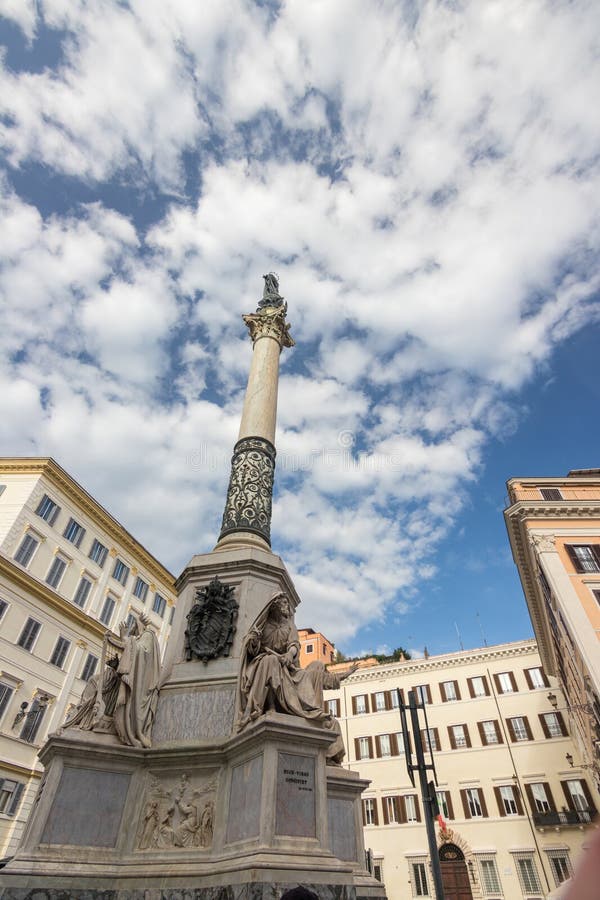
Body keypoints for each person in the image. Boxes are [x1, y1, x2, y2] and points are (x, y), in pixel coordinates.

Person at [236, 592, 330, 732]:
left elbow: (294, 644)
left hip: (285, 664)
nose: (288, 606)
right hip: (262, 660)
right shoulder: (263, 624)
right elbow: (252, 649)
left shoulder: (289, 625)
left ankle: (310, 710)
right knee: (271, 661)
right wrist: (254, 642)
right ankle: (270, 705)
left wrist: (289, 654)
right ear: (275, 604)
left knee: (303, 674)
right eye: (285, 603)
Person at [113, 612, 161, 748]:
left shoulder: (148, 635)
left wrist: (126, 639)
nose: (133, 628)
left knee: (137, 703)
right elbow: (134, 650)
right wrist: (125, 638)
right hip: (136, 677)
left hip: (142, 680)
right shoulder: (138, 638)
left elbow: (142, 652)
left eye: (135, 624)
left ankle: (138, 732)